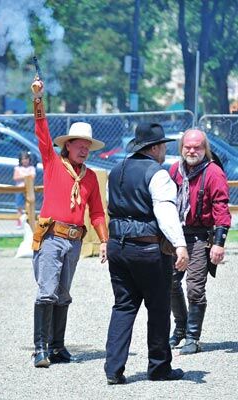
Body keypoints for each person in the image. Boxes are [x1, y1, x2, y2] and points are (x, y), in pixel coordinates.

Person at [30, 77, 108, 368]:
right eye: (80, 144)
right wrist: (38, 99)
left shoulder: (89, 177)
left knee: (63, 294)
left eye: (88, 145)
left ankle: (58, 347)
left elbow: (98, 212)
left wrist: (103, 240)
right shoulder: (52, 161)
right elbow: (41, 130)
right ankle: (40, 349)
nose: (85, 149)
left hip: (74, 240)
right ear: (68, 145)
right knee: (47, 291)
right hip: (51, 237)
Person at [104, 122, 189, 384]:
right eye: (163, 145)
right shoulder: (158, 173)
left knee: (124, 306)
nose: (165, 149)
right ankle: (159, 367)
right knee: (159, 307)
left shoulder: (115, 170)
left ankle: (113, 369)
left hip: (117, 246)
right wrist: (180, 245)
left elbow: (112, 207)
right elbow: (166, 212)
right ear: (154, 148)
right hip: (147, 248)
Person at [169, 128, 231, 355]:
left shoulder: (213, 172)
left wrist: (219, 243)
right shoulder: (175, 170)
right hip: (176, 236)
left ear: (205, 149)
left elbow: (221, 208)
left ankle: (193, 337)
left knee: (194, 288)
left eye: (197, 147)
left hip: (199, 237)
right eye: (188, 146)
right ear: (181, 148)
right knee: (169, 283)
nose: (192, 150)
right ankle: (181, 329)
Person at [13, 151, 36, 228]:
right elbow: (15, 177)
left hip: (29, 190)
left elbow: (32, 177)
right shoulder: (18, 168)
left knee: (29, 206)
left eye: (26, 159)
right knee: (19, 207)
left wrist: (23, 176)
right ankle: (19, 222)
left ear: (29, 159)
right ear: (20, 160)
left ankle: (29, 222)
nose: (25, 161)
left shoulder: (31, 168)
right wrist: (26, 177)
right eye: (23, 159)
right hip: (19, 189)